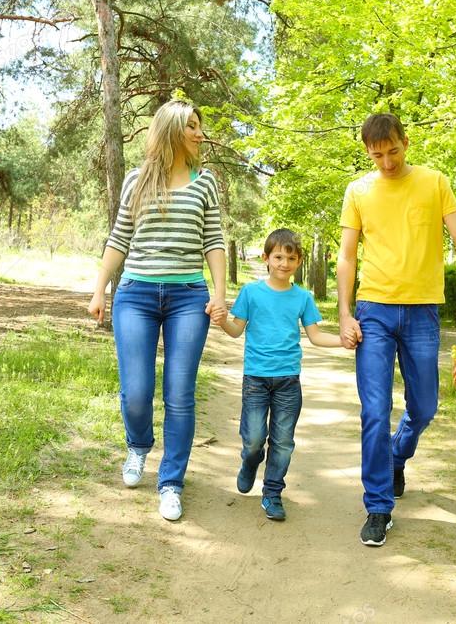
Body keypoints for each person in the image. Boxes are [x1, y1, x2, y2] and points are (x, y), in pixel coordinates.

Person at [337, 113, 456, 546]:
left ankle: (395, 455)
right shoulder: (358, 191)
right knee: (373, 410)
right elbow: (347, 256)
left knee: (424, 407)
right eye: (377, 155)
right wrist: (345, 313)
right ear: (368, 152)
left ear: (406, 142)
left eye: (393, 151)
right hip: (374, 311)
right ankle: (378, 507)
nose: (386, 162)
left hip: (423, 310)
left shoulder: (434, 182)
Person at [89, 99, 228, 522]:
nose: (198, 133)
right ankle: (138, 447)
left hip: (188, 296)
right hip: (136, 294)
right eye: (191, 126)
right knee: (136, 391)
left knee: (180, 394)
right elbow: (119, 238)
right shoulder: (137, 179)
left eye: (199, 126)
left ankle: (171, 483)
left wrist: (220, 295)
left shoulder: (206, 183)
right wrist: (99, 291)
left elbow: (214, 241)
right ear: (170, 130)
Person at [218, 229, 353, 521]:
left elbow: (316, 336)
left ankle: (272, 493)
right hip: (256, 379)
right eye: (278, 256)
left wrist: (344, 341)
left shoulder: (302, 297)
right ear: (266, 258)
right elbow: (236, 330)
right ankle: (249, 462)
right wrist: (221, 322)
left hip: (288, 381)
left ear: (299, 261)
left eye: (291, 258)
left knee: (283, 442)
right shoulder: (251, 293)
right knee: (254, 439)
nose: (284, 262)